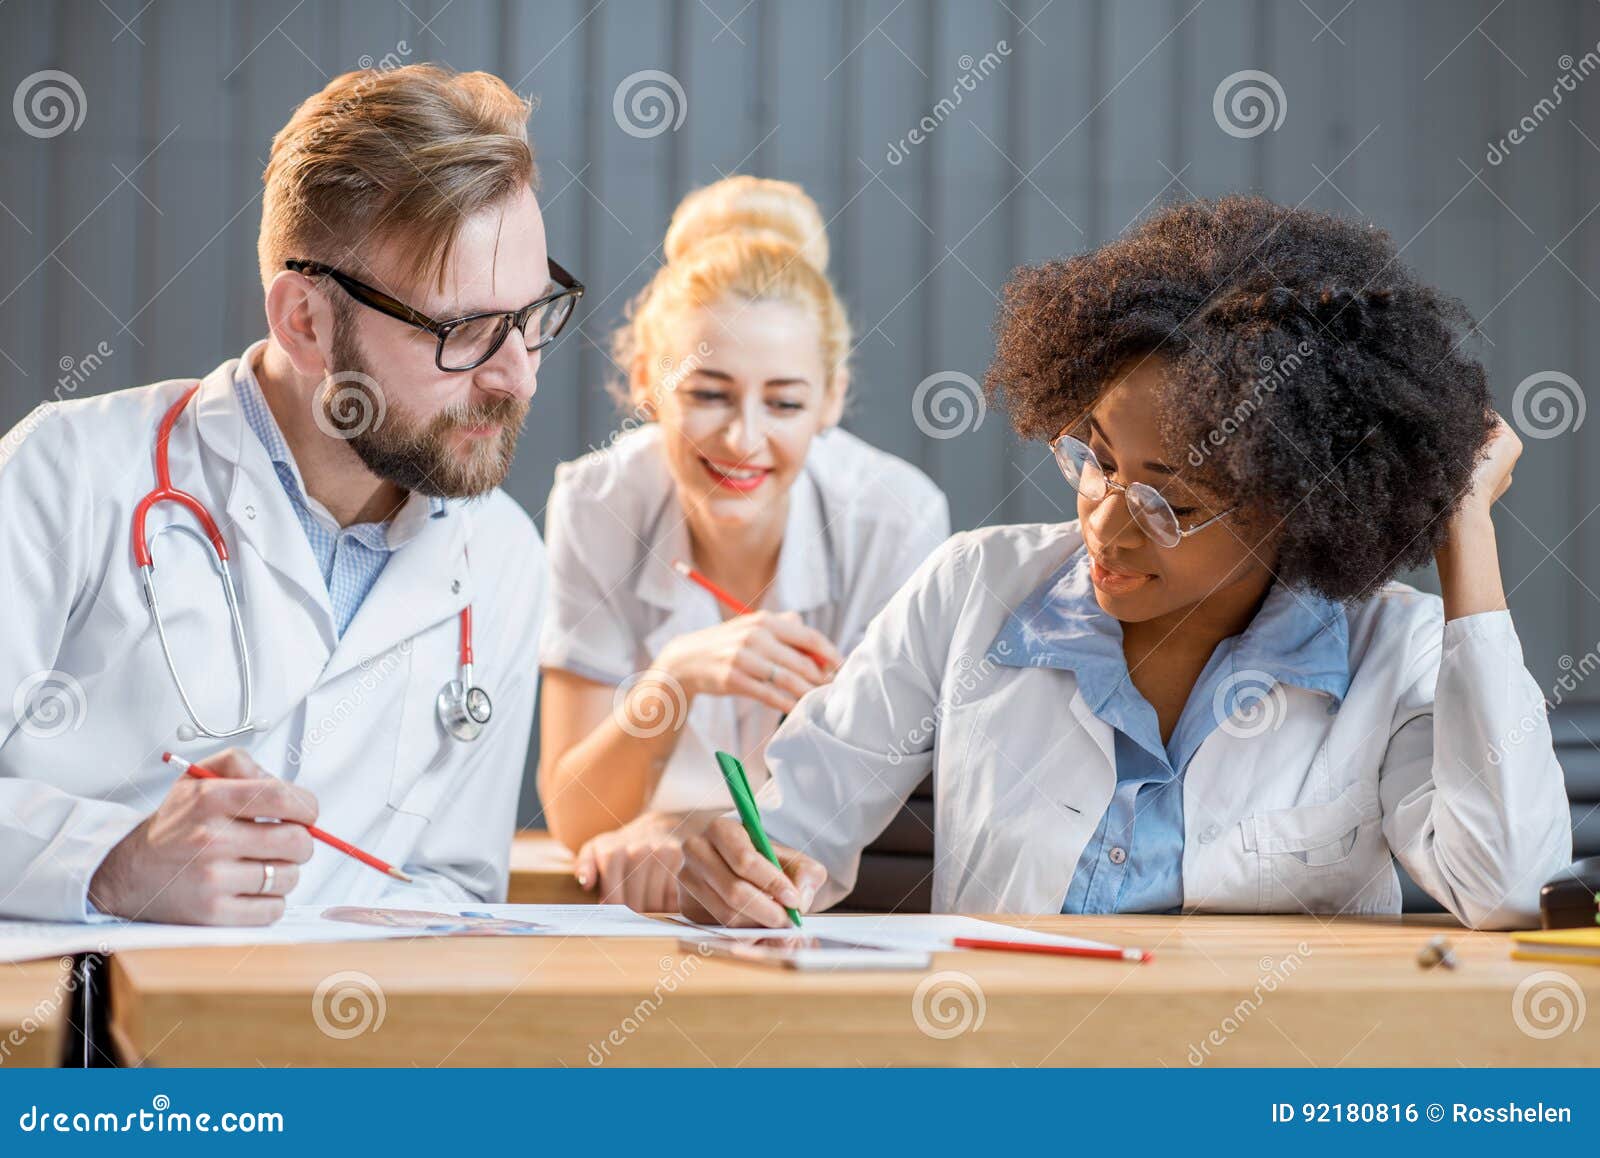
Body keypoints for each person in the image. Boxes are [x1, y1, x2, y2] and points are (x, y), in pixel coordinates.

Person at [678, 195, 1573, 931]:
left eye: (1170, 502)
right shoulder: (971, 591)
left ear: (1296, 505)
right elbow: (795, 828)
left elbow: (1505, 888)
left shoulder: (1391, 654)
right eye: (1097, 460)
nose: (1106, 525)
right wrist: (741, 864)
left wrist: (1462, 530)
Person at [0, 64, 579, 925]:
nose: (518, 377)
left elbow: (451, 890)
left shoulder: (500, 558)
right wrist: (106, 864)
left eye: (532, 316)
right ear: (304, 321)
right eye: (466, 331)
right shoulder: (71, 473)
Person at [537, 176, 950, 911]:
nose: (744, 440)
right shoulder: (596, 502)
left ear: (829, 400)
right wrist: (674, 679)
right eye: (707, 394)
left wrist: (689, 827)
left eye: (785, 402)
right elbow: (576, 817)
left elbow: (873, 816)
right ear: (647, 382)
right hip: (650, 904)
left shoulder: (896, 517)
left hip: (838, 911)